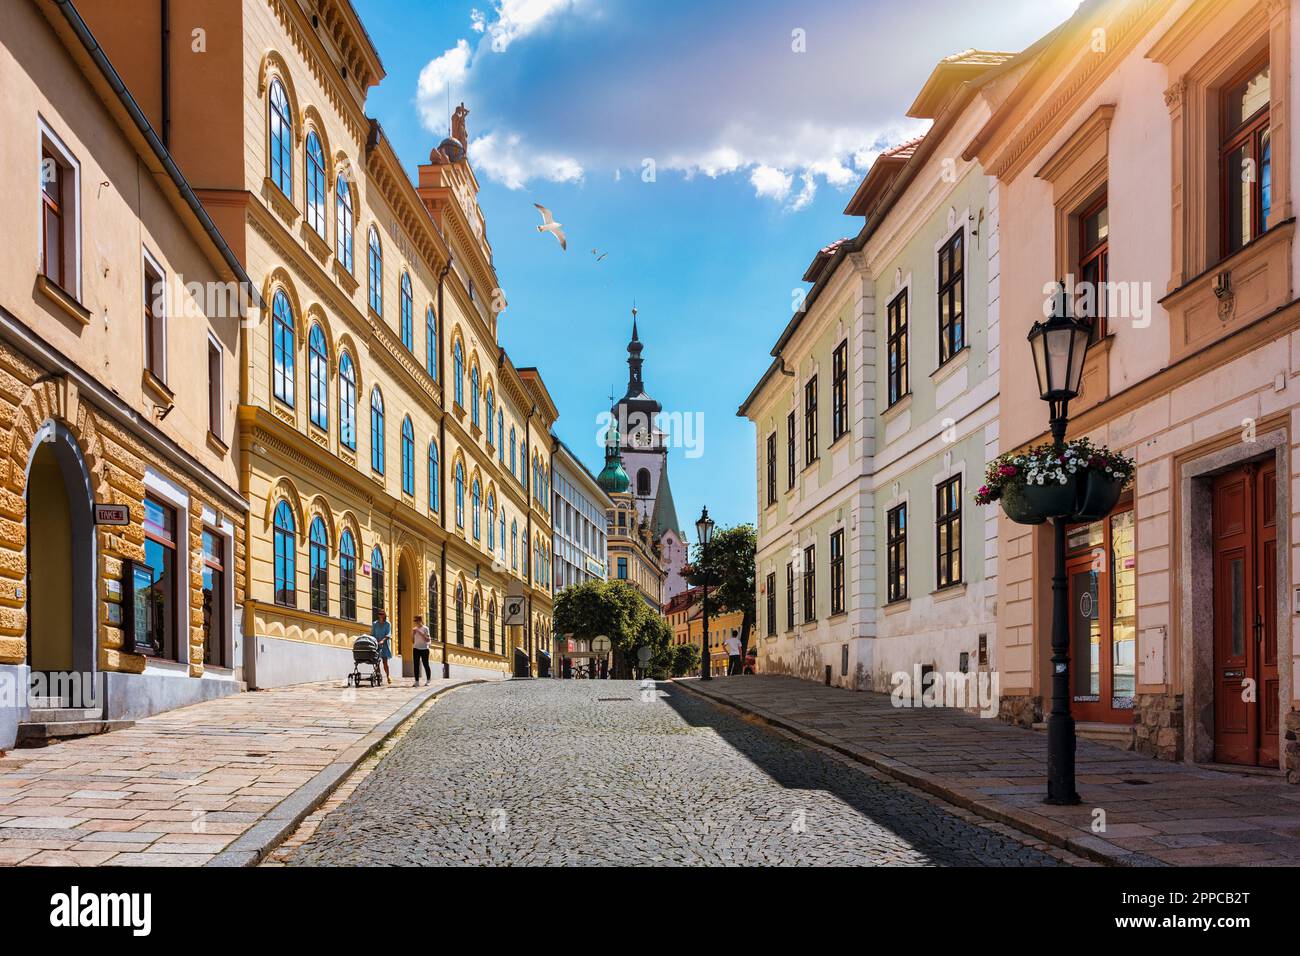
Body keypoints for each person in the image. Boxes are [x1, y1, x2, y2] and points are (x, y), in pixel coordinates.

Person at [372, 610, 393, 685]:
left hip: (384, 645)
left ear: (384, 615)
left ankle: (388, 676)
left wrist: (382, 640)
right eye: (379, 614)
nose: (380, 615)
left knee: (385, 662)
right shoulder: (375, 624)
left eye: (382, 614)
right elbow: (373, 634)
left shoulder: (387, 624)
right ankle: (379, 677)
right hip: (376, 644)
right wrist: (374, 641)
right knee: (377, 662)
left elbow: (388, 634)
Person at [411, 615, 432, 686]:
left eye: (416, 621)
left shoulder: (425, 628)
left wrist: (420, 633)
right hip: (416, 648)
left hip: (424, 649)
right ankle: (416, 681)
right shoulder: (414, 629)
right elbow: (412, 641)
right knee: (416, 665)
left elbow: (427, 639)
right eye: (415, 621)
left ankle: (428, 680)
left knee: (425, 664)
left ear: (420, 621)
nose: (415, 622)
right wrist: (413, 634)